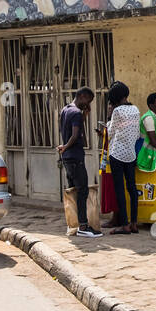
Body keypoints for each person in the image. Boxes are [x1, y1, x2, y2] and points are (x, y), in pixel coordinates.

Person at [56, 86, 100, 237]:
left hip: (68, 158)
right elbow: (74, 136)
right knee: (82, 191)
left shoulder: (66, 109)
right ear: (82, 96)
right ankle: (83, 226)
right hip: (74, 156)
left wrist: (85, 116)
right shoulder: (75, 113)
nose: (89, 104)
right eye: (88, 100)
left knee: (73, 191)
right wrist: (65, 146)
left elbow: (70, 130)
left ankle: (73, 225)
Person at [104, 82, 140, 234]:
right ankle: (134, 223)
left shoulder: (117, 111)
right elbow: (136, 133)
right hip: (131, 154)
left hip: (117, 154)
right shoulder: (135, 110)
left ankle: (124, 224)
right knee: (132, 189)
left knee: (120, 190)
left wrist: (108, 119)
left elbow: (110, 132)